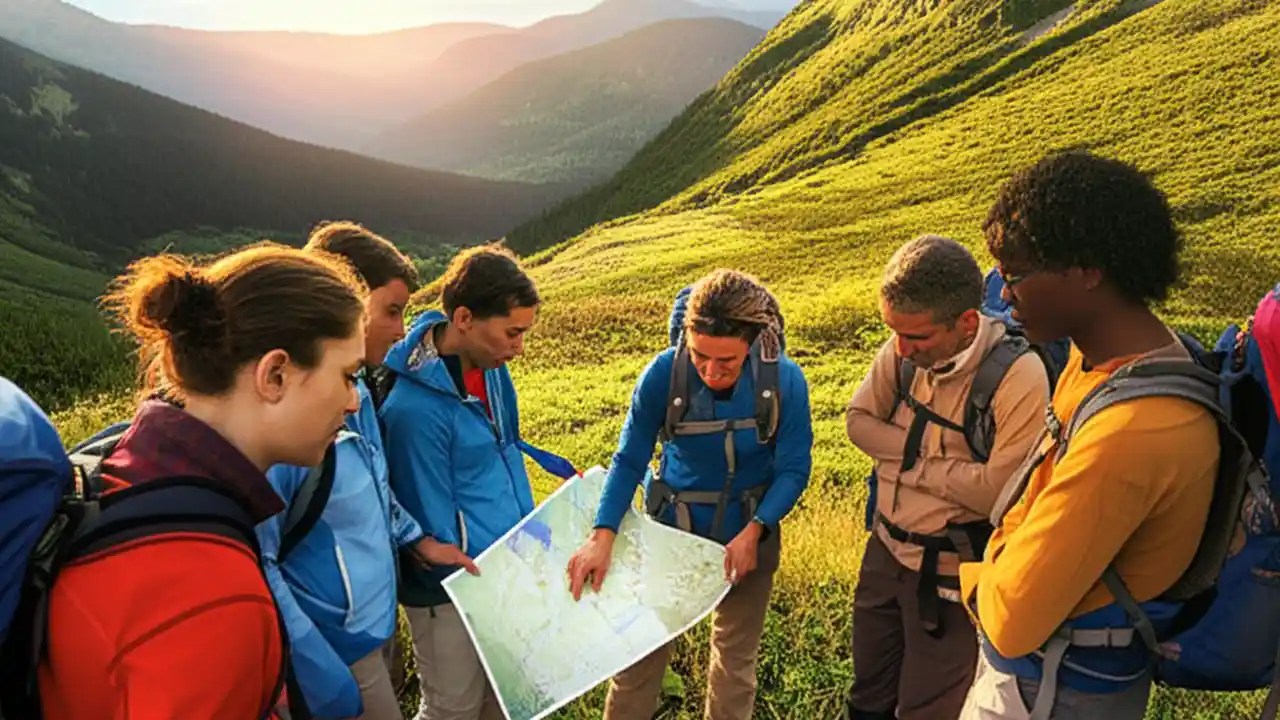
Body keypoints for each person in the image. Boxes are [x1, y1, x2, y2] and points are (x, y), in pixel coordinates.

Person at [37, 243, 370, 719]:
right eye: (348, 375)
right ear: (274, 374)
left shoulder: (126, 464)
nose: (354, 401)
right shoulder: (215, 601)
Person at [958, 151, 1219, 719]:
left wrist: (981, 575)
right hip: (1062, 676)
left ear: (1088, 270)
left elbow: (1010, 621)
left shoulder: (1136, 432)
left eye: (1015, 273)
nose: (1003, 296)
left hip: (1050, 694)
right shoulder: (1109, 358)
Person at [567, 269, 814, 720]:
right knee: (639, 656)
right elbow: (629, 459)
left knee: (734, 665)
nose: (712, 372)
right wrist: (603, 534)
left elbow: (794, 468)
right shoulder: (664, 375)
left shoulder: (784, 381)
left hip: (746, 538)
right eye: (700, 356)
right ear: (686, 337)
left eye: (728, 362)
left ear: (754, 343)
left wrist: (756, 531)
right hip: (670, 538)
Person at [259, 222, 476, 720]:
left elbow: (374, 486)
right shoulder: (293, 416)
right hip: (333, 646)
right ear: (343, 303)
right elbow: (260, 558)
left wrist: (418, 540)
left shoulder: (356, 386)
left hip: (371, 626)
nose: (402, 329)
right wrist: (317, 671)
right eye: (392, 311)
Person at [844, 235, 1050, 720]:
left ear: (966, 323)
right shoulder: (902, 349)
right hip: (883, 552)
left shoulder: (1018, 377)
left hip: (950, 574)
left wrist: (909, 461)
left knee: (928, 708)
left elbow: (998, 494)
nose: (900, 348)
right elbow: (857, 422)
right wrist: (941, 463)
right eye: (893, 332)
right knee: (867, 698)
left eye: (916, 337)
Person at [379, 244, 541, 720]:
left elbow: (504, 451)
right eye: (512, 332)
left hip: (500, 565)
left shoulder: (491, 372)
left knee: (501, 698)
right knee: (453, 707)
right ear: (465, 318)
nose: (519, 347)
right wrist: (457, 569)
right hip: (450, 584)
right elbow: (426, 514)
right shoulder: (414, 410)